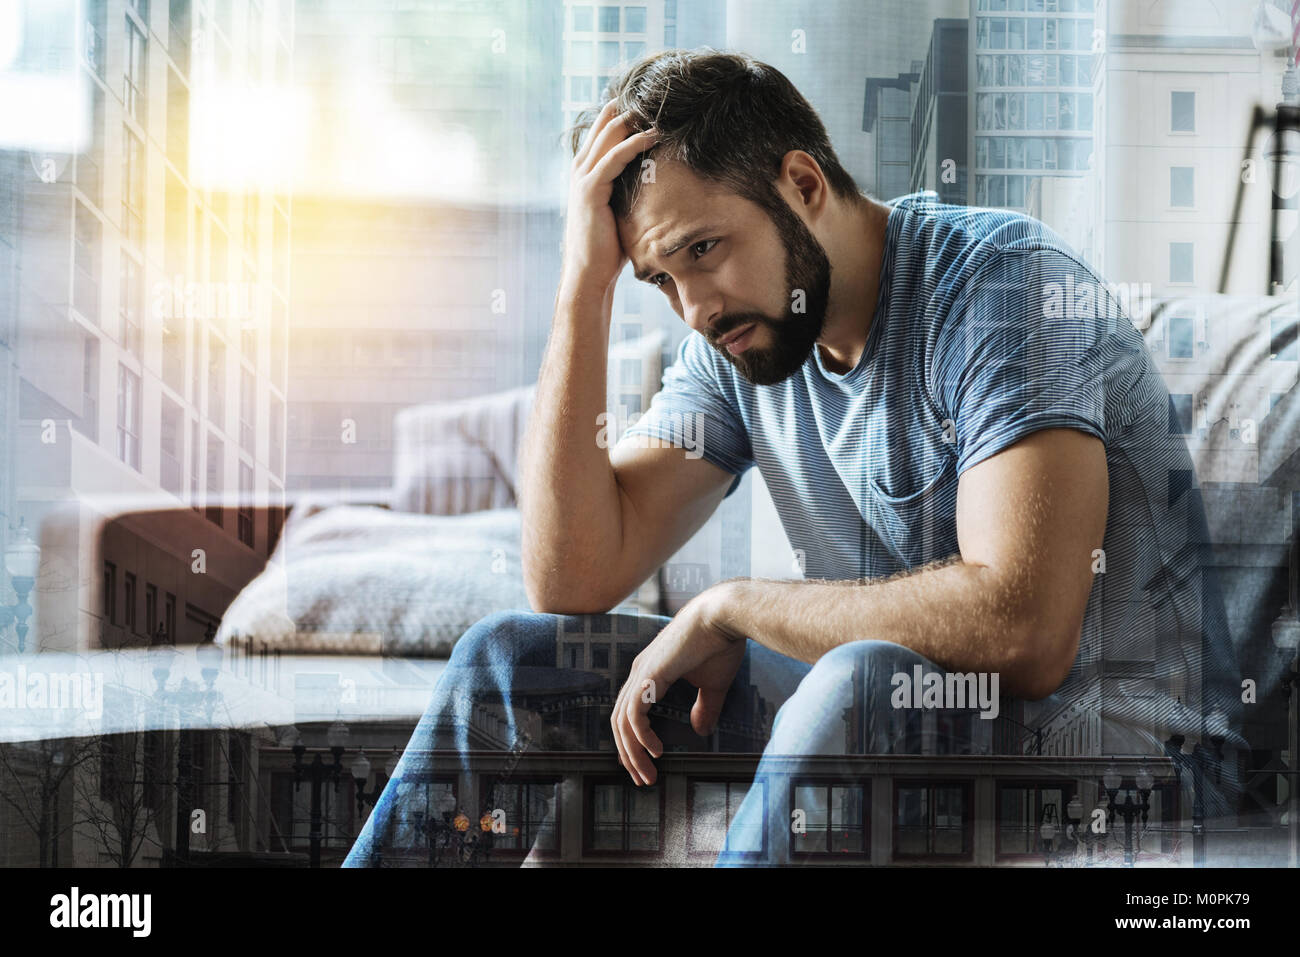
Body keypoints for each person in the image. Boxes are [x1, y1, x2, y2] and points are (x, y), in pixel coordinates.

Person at [343, 49, 1243, 868]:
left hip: (1132, 762)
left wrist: (735, 607)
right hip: (911, 717)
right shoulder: (742, 338)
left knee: (851, 680)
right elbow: (572, 574)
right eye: (661, 279)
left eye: (704, 249)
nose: (693, 306)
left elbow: (1023, 630)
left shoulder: (1002, 291)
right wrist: (584, 288)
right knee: (508, 661)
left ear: (804, 183)